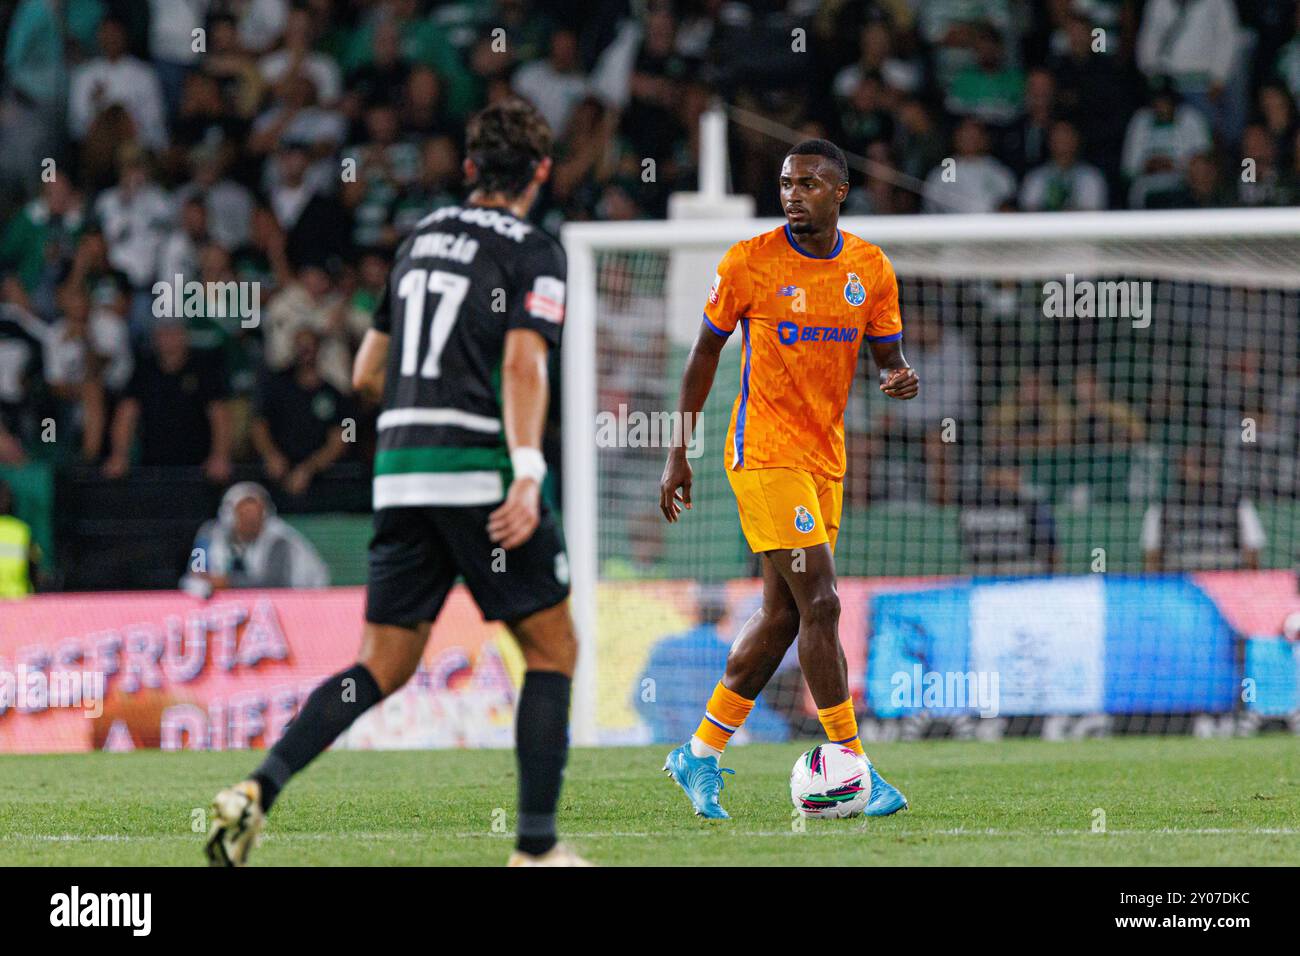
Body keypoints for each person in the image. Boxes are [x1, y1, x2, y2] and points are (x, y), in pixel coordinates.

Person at [206, 98, 589, 867]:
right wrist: (525, 471)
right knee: (552, 652)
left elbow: (365, 372)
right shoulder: (535, 251)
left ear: (472, 169)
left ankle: (257, 789)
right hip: (476, 470)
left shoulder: (416, 241)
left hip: (400, 475)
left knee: (378, 667)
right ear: (541, 174)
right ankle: (537, 852)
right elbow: (522, 364)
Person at [657, 139, 917, 820]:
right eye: (785, 183)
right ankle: (857, 767)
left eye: (808, 183)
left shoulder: (870, 268)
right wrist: (678, 450)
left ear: (840, 192)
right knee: (823, 603)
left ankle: (699, 753)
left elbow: (888, 354)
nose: (793, 194)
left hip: (824, 460)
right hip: (763, 455)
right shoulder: (750, 262)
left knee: (781, 615)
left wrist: (898, 376)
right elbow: (704, 355)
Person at [180, 482, 329, 596]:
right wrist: (204, 583)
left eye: (256, 514)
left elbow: (274, 584)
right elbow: (195, 573)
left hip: (303, 599)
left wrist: (228, 583)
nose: (251, 521)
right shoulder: (207, 534)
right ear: (229, 515)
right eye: (244, 514)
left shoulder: (279, 539)